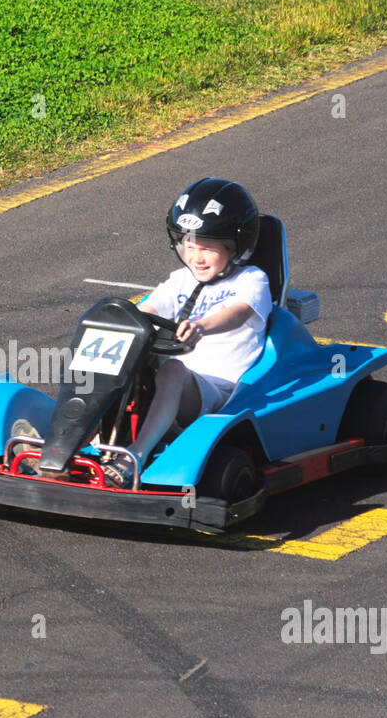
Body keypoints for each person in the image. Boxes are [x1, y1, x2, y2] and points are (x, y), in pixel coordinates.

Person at [103, 177, 272, 487]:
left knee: (173, 370)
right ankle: (74, 446)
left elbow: (238, 313)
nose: (197, 257)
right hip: (176, 382)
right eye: (189, 246)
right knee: (115, 358)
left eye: (207, 248)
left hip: (220, 391)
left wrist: (201, 326)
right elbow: (147, 311)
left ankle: (133, 458)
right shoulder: (182, 279)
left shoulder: (252, 280)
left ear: (235, 247)